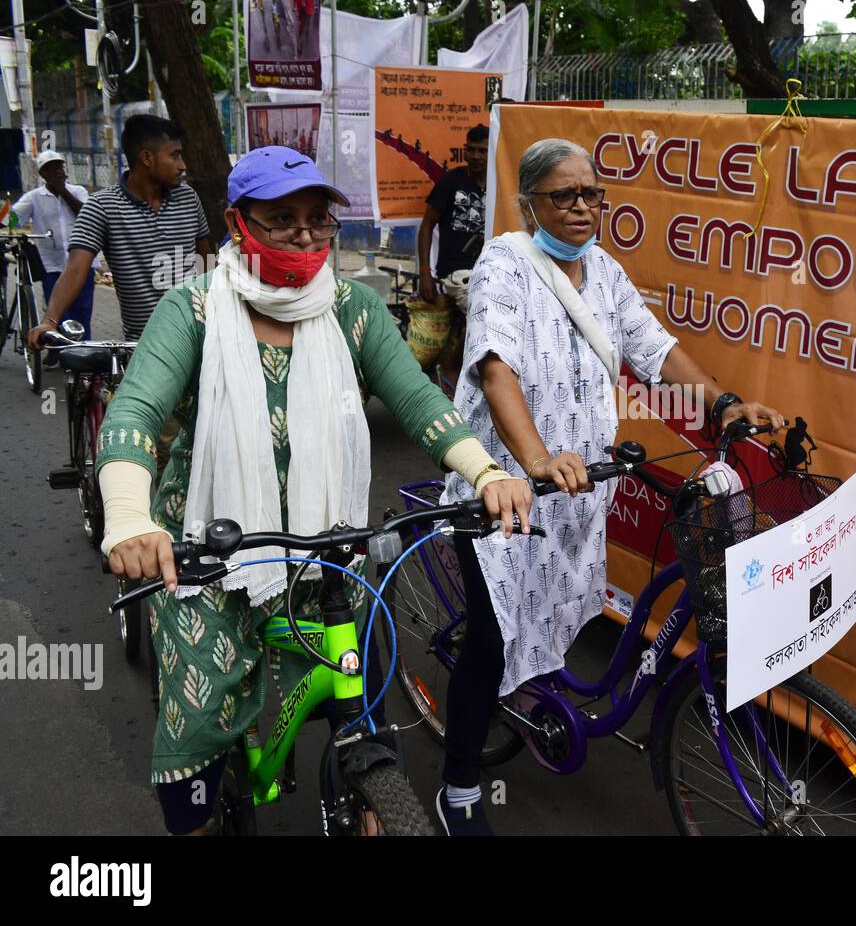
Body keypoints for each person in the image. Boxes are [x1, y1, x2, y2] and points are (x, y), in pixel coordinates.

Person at [92, 146, 532, 835]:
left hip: (327, 539)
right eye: (282, 219)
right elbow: (134, 415)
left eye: (318, 219)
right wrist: (126, 517)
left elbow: (419, 400)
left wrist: (486, 471)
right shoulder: (195, 308)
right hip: (208, 553)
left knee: (361, 693)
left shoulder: (352, 308)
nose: (305, 235)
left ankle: (371, 795)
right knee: (200, 726)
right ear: (239, 224)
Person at [437, 137, 785, 835]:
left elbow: (654, 350)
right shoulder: (504, 262)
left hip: (580, 488)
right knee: (490, 641)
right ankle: (459, 787)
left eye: (591, 194)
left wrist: (722, 404)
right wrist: (532, 458)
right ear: (530, 200)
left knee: (558, 612)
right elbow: (494, 366)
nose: (581, 207)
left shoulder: (605, 271)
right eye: (564, 195)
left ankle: (534, 691)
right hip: (504, 490)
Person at [29, 115, 213, 345]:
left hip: (199, 337)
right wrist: (50, 320)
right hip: (145, 345)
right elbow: (75, 268)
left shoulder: (188, 198)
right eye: (174, 155)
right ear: (147, 157)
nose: (182, 165)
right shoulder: (102, 206)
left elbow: (206, 262)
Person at [417, 125, 489, 387]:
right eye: (471, 150)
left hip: (488, 270)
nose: (476, 156)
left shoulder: (498, 184)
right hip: (455, 272)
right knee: (482, 309)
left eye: (482, 151)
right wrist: (425, 272)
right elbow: (426, 226)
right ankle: (450, 366)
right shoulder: (451, 182)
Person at [11, 151, 94, 365]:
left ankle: (82, 352)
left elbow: (88, 215)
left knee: (82, 310)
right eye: (51, 168)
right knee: (57, 308)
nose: (57, 171)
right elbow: (13, 218)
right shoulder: (34, 197)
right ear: (43, 173)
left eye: (60, 167)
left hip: (82, 263)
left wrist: (63, 192)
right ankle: (58, 349)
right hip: (52, 264)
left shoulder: (78, 191)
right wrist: (5, 221)